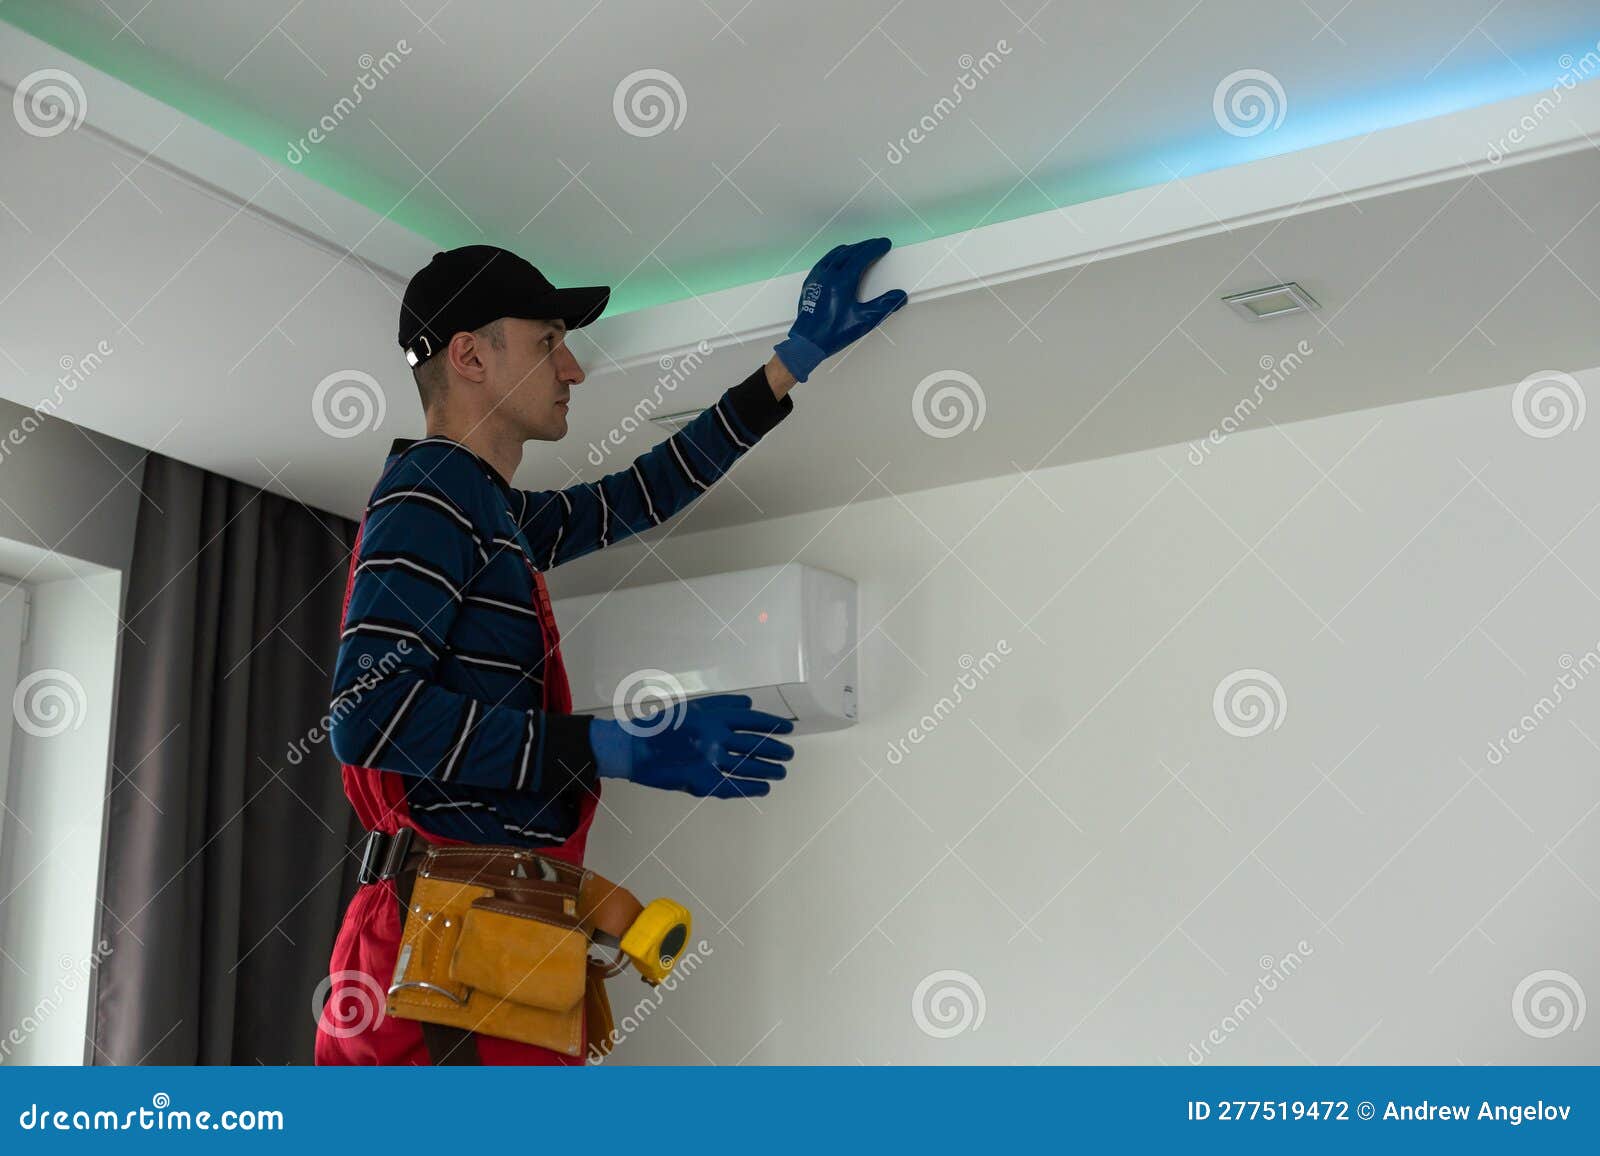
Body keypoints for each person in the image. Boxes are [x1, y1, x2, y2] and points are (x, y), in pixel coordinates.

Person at [314, 238, 907, 1065]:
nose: (575, 370)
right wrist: (609, 744)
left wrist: (789, 365)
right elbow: (367, 715)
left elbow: (640, 494)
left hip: (487, 933)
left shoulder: (489, 512)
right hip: (445, 949)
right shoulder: (426, 500)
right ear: (469, 355)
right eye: (549, 340)